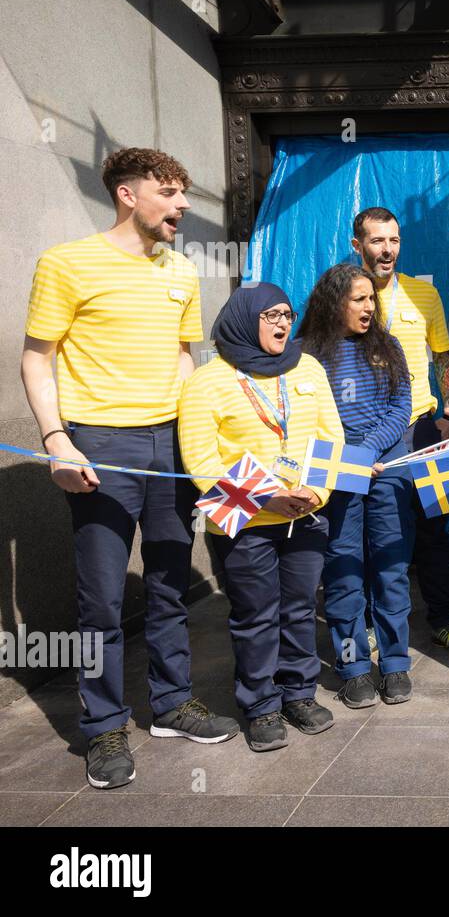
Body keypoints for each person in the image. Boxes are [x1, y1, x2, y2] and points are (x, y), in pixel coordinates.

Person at [20, 148, 239, 790]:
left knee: (172, 583)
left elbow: (182, 359)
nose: (182, 207)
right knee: (101, 599)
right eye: (169, 193)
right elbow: (38, 359)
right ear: (127, 194)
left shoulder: (181, 271)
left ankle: (172, 705)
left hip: (170, 446)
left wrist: (202, 443)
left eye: (184, 194)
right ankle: (105, 726)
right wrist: (58, 441)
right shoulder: (66, 263)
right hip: (98, 446)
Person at [178, 283, 343, 752]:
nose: (282, 323)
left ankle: (299, 694)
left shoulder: (307, 367)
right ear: (242, 318)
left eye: (288, 315)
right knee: (256, 615)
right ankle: (261, 705)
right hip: (244, 524)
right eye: (270, 315)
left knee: (298, 609)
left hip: (305, 518)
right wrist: (265, 499)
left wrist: (315, 491)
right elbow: (201, 462)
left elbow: (331, 438)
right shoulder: (208, 381)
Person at [351, 207, 449, 657]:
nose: (387, 250)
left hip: (426, 431)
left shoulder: (425, 294)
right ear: (357, 246)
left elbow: (444, 356)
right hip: (368, 438)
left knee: (436, 529)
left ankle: (446, 619)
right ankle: (366, 626)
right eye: (377, 241)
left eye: (394, 240)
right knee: (369, 534)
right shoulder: (343, 297)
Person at [299, 264, 414, 708]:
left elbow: (401, 405)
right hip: (336, 477)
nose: (369, 307)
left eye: (372, 299)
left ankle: (396, 664)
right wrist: (347, 461)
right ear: (334, 303)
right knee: (343, 570)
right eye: (358, 300)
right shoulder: (305, 355)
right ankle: (352, 668)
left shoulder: (389, 346)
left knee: (390, 568)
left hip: (386, 472)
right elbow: (304, 418)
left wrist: (365, 452)